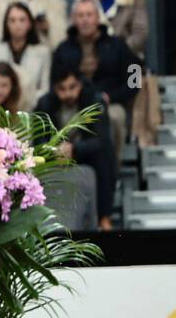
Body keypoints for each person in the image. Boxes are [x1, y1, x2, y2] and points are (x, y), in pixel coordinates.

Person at [34, 62, 115, 231]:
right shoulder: (45, 103)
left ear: (80, 84)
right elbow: (38, 141)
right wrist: (54, 151)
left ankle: (104, 217)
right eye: (61, 89)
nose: (68, 93)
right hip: (55, 154)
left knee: (104, 157)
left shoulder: (95, 100)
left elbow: (101, 140)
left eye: (72, 87)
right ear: (54, 88)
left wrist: (74, 149)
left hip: (84, 152)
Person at [53, 0, 139, 153]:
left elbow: (135, 79)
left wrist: (111, 96)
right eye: (80, 15)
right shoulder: (63, 49)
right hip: (71, 103)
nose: (85, 20)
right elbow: (53, 81)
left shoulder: (117, 45)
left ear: (98, 18)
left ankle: (113, 174)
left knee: (114, 118)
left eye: (89, 15)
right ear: (74, 20)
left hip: (109, 102)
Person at [0, 3, 50, 109]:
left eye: (22, 20)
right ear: (6, 24)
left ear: (30, 23)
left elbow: (44, 89)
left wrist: (27, 99)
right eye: (12, 20)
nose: (17, 25)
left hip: (30, 108)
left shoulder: (43, 52)